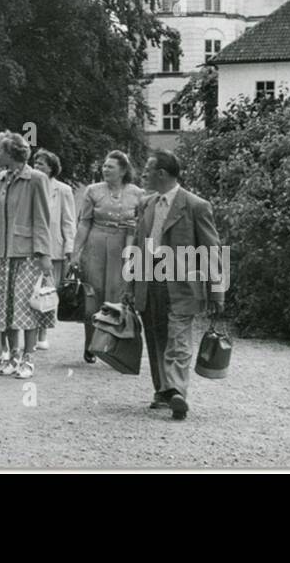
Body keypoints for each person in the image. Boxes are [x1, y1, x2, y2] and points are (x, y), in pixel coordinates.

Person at [124, 149, 223, 421]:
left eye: (148, 169)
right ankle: (162, 391)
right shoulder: (146, 204)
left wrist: (216, 291)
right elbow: (138, 245)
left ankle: (177, 391)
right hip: (149, 280)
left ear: (162, 173)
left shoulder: (195, 206)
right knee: (155, 336)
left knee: (178, 338)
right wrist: (129, 285)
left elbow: (211, 250)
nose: (143, 174)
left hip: (182, 285)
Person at [0, 131, 53, 379]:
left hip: (27, 254)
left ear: (11, 154)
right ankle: (13, 356)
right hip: (2, 252)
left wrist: (44, 254)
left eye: (0, 150)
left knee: (27, 306)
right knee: (6, 307)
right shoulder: (2, 178)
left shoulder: (36, 179)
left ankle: (28, 359)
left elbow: (42, 218)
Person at [72, 151, 143, 362]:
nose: (105, 169)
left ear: (123, 170)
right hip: (96, 243)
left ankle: (110, 346)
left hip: (123, 245)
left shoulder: (138, 193)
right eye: (104, 166)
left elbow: (142, 224)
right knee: (92, 295)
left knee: (117, 295)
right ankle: (90, 344)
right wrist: (76, 252)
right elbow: (84, 222)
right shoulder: (93, 191)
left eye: (110, 166)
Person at [32, 149, 75, 351]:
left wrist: (69, 248)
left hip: (53, 248)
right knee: (30, 291)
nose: (36, 167)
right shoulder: (30, 186)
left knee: (48, 291)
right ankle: (31, 331)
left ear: (51, 168)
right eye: (35, 163)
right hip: (31, 247)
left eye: (41, 164)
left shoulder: (63, 190)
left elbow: (68, 221)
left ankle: (43, 333)